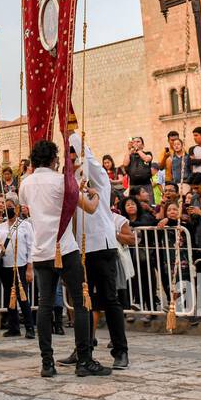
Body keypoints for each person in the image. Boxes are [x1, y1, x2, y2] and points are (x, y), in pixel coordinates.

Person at [18, 139, 109, 378]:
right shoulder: (62, 181)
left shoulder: (25, 184)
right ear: (53, 160)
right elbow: (89, 208)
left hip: (41, 251)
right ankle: (84, 360)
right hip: (65, 249)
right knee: (81, 303)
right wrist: (96, 195)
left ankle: (47, 363)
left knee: (45, 305)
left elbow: (26, 206)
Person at [65, 132, 129, 370]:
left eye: (74, 155)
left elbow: (88, 162)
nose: (71, 160)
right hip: (79, 248)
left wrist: (72, 134)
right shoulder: (68, 181)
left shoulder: (98, 177)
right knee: (82, 302)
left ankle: (120, 351)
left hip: (101, 245)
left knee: (109, 300)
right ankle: (83, 348)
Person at [0, 194, 35, 338]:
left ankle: (30, 327)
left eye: (10, 207)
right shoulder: (0, 227)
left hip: (21, 265)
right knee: (8, 296)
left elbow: (31, 246)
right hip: (5, 265)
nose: (8, 210)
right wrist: (1, 250)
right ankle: (13, 327)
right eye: (6, 207)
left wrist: (30, 268)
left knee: (22, 297)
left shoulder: (25, 225)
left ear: (16, 208)